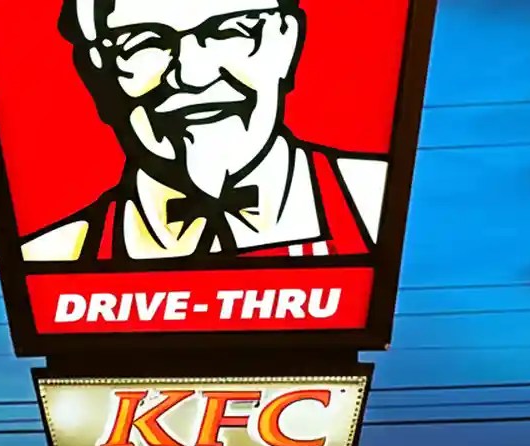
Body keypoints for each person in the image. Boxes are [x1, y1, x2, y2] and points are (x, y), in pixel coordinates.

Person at [21, 0, 390, 263]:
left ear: (287, 43)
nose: (192, 76)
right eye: (144, 42)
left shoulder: (377, 205)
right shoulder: (53, 257)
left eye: (230, 30)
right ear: (97, 73)